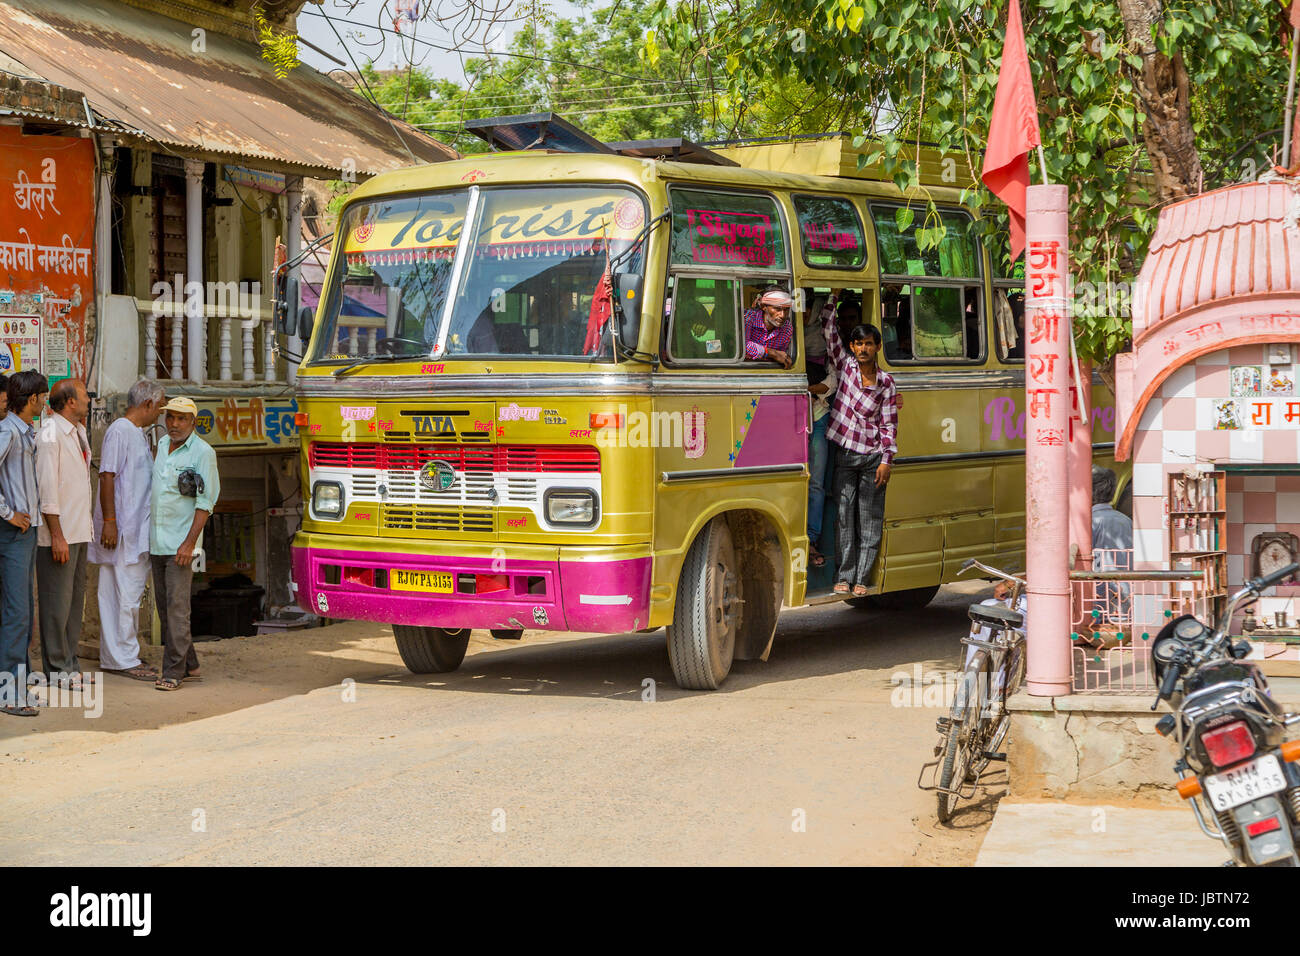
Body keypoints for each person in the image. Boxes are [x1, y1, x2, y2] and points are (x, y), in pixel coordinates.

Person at [823, 290, 898, 596]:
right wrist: (833, 297)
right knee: (844, 517)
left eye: (869, 343)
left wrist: (886, 460)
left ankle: (862, 580)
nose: (864, 348)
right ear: (852, 346)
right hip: (845, 453)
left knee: (869, 521)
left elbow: (889, 423)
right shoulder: (845, 366)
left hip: (872, 459)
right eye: (859, 343)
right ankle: (844, 575)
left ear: (877, 346)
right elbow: (828, 329)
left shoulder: (887, 382)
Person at [91, 380, 165, 681]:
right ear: (147, 404)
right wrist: (110, 521)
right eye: (159, 408)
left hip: (133, 530)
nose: (160, 414)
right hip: (122, 531)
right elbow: (107, 475)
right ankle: (123, 659)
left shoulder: (137, 434)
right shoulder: (120, 431)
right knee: (124, 596)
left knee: (120, 594)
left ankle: (119, 657)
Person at [150, 397, 220, 691]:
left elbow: (206, 503)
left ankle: (173, 671)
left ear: (193, 422)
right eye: (171, 418)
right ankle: (191, 664)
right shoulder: (163, 446)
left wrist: (188, 544)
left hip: (182, 544)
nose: (174, 424)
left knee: (177, 609)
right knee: (165, 608)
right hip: (157, 541)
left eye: (181, 419)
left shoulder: (204, 453)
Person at [35, 378, 94, 690]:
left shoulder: (79, 432)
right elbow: (47, 491)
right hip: (58, 535)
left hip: (78, 530)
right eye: (83, 394)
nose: (88, 399)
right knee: (56, 605)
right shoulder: (49, 434)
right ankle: (57, 669)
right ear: (70, 401)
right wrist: (56, 535)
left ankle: (69, 664)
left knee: (73, 605)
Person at [0, 370, 47, 716]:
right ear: (32, 400)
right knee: (17, 614)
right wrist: (8, 513)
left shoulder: (24, 432)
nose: (45, 402)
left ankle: (20, 682)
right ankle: (9, 693)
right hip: (13, 533)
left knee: (23, 612)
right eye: (43, 397)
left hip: (25, 533)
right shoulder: (8, 432)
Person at [743, 288, 795, 369]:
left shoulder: (787, 328)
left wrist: (776, 355)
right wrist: (772, 353)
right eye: (777, 309)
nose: (782, 315)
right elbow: (743, 346)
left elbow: (781, 356)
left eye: (786, 310)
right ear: (764, 307)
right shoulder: (748, 317)